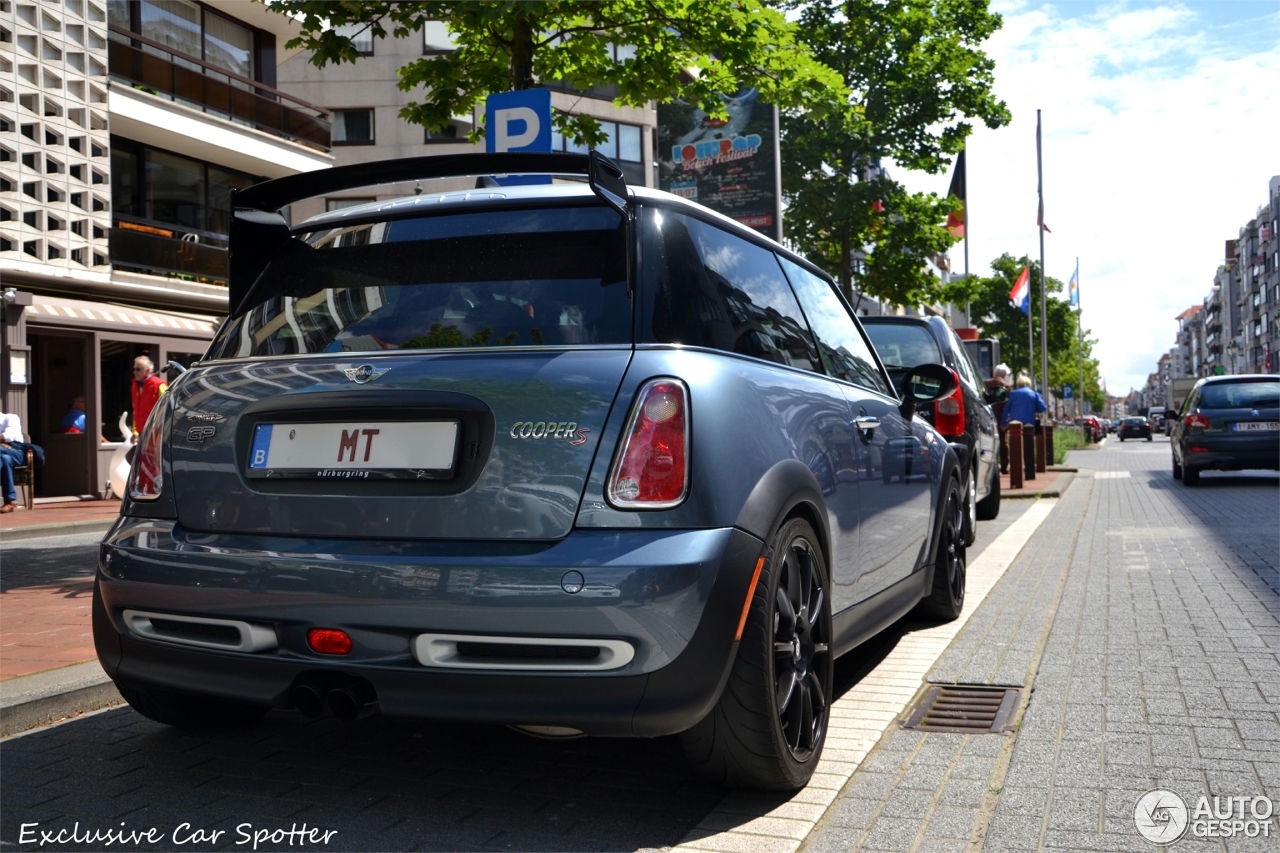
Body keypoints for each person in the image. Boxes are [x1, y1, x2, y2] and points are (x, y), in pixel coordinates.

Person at [1, 410, 39, 513]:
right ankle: (9, 501)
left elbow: (9, 435)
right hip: (4, 455)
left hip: (17, 452)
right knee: (5, 459)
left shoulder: (10, 418)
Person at [131, 356, 168, 443]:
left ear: (147, 370)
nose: (135, 372)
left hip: (157, 433)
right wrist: (135, 432)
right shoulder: (135, 386)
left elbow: (168, 408)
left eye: (138, 369)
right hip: (142, 433)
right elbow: (136, 411)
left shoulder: (159, 385)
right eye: (134, 369)